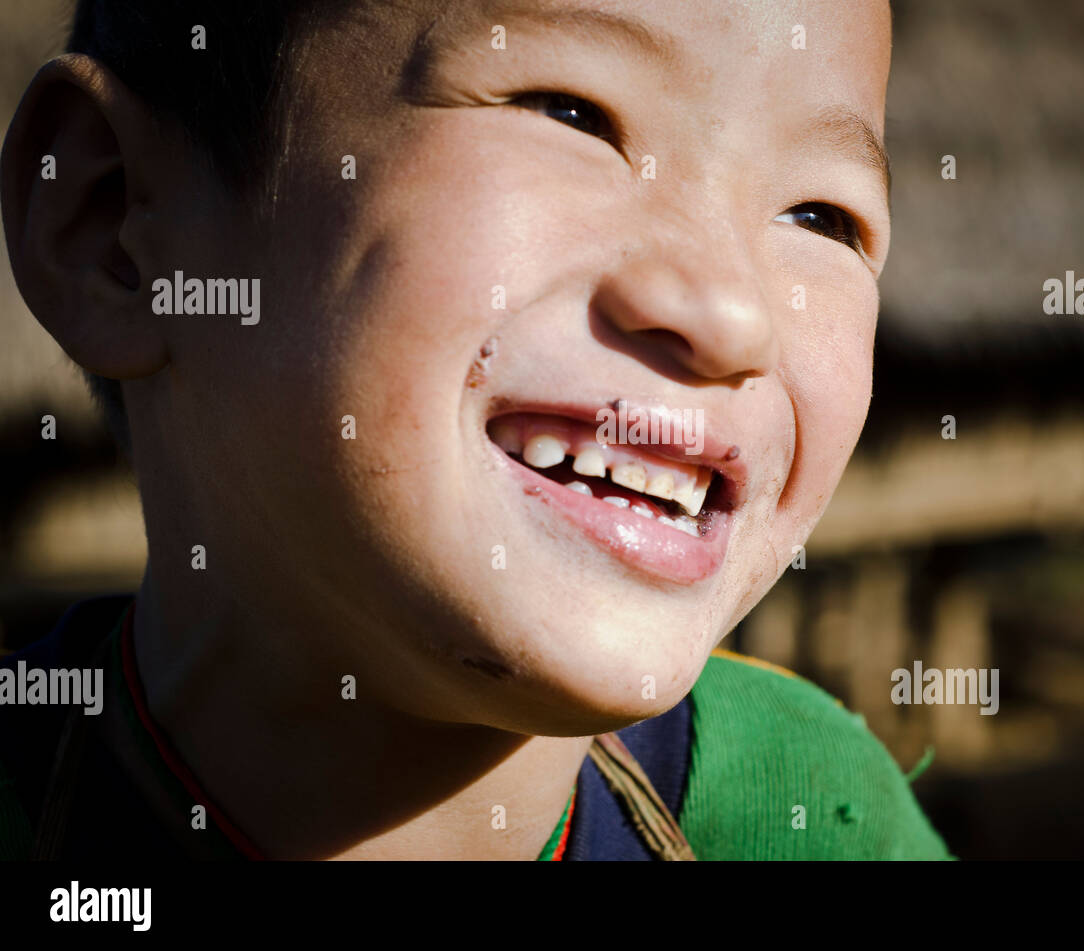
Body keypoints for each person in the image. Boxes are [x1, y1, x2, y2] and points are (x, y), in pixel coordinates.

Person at [0, 0, 950, 860]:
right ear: (113, 223)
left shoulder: (806, 813)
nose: (731, 315)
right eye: (569, 113)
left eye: (823, 216)